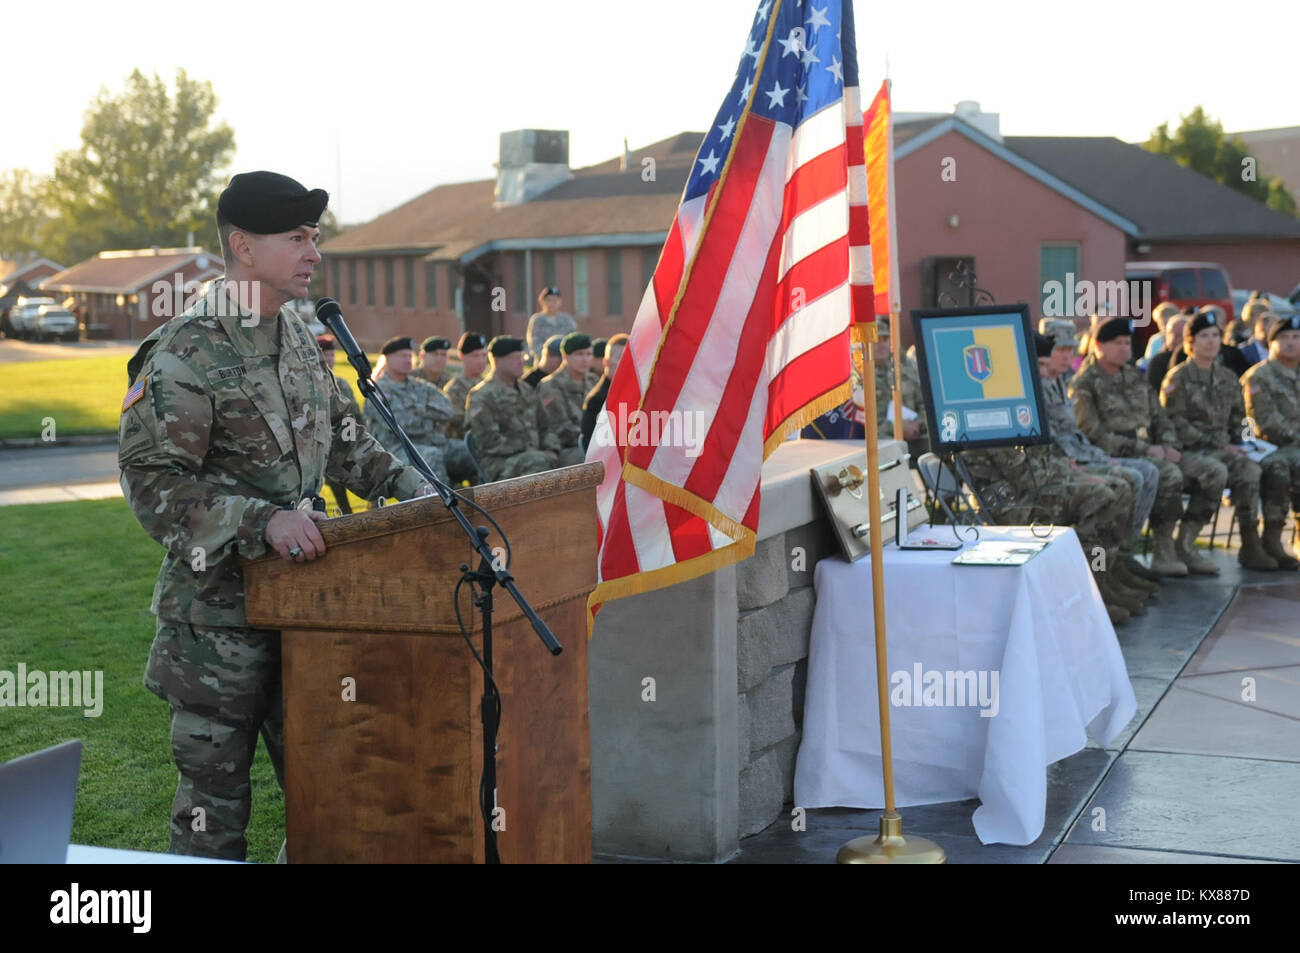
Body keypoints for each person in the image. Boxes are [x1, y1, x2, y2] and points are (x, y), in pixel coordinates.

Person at [118, 171, 430, 861]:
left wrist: (426, 497)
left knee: (330, 790)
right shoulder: (185, 351)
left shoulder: (298, 338)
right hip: (215, 630)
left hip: (311, 615)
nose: (314, 253)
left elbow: (352, 447)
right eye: (297, 238)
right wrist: (261, 521)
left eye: (314, 238)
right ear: (244, 248)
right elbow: (152, 487)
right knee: (212, 815)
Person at [1040, 321, 1161, 590]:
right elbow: (1054, 440)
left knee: (1147, 472)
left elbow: (1074, 435)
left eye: (1071, 349)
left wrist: (1100, 457)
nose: (1067, 356)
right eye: (1060, 349)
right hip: (1064, 466)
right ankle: (1099, 574)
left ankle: (1119, 558)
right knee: (1126, 481)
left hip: (1083, 456)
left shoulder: (1058, 382)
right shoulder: (1043, 386)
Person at [1071, 317, 1193, 577]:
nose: (1126, 348)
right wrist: (1144, 450)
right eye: (1118, 343)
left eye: (1128, 343)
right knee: (1158, 473)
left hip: (1150, 450)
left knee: (1177, 468)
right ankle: (1117, 557)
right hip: (1110, 455)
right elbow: (1092, 433)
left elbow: (1159, 416)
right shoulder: (1085, 383)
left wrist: (1168, 444)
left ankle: (1155, 550)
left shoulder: (1134, 377)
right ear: (1098, 345)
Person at [1160, 310, 1276, 572]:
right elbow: (1174, 423)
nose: (1211, 341)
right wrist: (1219, 445)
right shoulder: (1177, 379)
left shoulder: (1227, 378)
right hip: (1190, 451)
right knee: (1217, 472)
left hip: (1225, 449)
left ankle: (1250, 543)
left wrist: (1248, 443)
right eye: (1204, 336)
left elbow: (1241, 420)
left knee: (1251, 469)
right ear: (1190, 342)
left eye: (1215, 336)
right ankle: (1186, 543)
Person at [362, 336, 481, 486]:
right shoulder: (378, 390)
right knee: (432, 456)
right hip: (397, 450)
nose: (407, 360)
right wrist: (428, 413)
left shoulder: (419, 386)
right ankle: (443, 506)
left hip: (434, 443)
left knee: (471, 450)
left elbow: (448, 410)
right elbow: (400, 425)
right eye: (402, 356)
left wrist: (415, 411)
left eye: (409, 355)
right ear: (387, 359)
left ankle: (483, 500)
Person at [1241, 313, 1300, 570]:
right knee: (1281, 467)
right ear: (1271, 343)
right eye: (1284, 337)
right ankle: (1272, 539)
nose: (1290, 342)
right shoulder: (1259, 376)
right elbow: (1265, 422)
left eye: (1296, 337)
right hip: (1269, 447)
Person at [466, 335, 557, 481]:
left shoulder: (527, 390)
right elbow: (488, 441)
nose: (520, 362)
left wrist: (551, 448)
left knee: (568, 459)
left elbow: (546, 426)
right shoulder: (481, 396)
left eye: (521, 357)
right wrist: (530, 450)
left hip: (534, 455)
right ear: (495, 361)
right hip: (499, 463)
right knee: (536, 462)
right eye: (514, 358)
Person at [872, 317, 928, 463]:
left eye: (885, 339)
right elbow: (862, 427)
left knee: (947, 445)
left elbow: (924, 404)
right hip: (882, 440)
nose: (881, 345)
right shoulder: (859, 380)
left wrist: (917, 425)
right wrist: (897, 428)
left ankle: (946, 486)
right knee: (888, 449)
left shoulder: (905, 372)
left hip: (914, 434)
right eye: (876, 340)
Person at [316, 335, 361, 514]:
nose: (329, 359)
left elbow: (354, 414)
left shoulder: (341, 383)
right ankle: (344, 510)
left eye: (332, 355)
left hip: (343, 440)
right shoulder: (309, 383)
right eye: (325, 355)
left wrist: (350, 440)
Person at [537, 332, 595, 466]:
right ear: (565, 356)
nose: (585, 359)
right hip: (566, 448)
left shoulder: (594, 381)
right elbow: (560, 428)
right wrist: (595, 437)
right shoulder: (550, 386)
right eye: (579, 354)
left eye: (588, 354)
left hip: (594, 442)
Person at [581, 332, 628, 449]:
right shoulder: (598, 400)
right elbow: (593, 448)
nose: (627, 364)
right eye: (620, 359)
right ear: (606, 362)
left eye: (630, 359)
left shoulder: (638, 393)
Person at [442, 332, 489, 439]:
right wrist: (481, 409)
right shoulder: (454, 388)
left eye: (484, 355)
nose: (481, 361)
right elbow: (459, 421)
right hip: (465, 441)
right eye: (475, 356)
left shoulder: (487, 383)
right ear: (462, 356)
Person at [525, 286, 577, 365]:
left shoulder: (567, 320)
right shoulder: (537, 320)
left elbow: (573, 340)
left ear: (560, 302)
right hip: (543, 363)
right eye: (548, 300)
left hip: (564, 363)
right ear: (542, 302)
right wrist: (550, 356)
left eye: (555, 300)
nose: (551, 303)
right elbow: (533, 343)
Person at [1237, 301, 1275, 367]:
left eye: (1266, 318)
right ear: (1250, 320)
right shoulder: (1242, 351)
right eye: (1260, 318)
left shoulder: (1278, 348)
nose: (1263, 322)